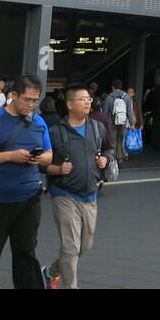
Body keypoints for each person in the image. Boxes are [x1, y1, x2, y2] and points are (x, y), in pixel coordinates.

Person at [0, 76, 53, 290]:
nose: (31, 105)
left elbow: (49, 156)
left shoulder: (38, 122)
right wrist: (10, 156)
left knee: (26, 254)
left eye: (35, 100)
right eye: (27, 99)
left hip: (29, 199)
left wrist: (37, 158)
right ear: (13, 96)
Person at [41, 84, 112, 289]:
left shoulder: (97, 128)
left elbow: (108, 150)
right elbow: (41, 165)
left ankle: (51, 272)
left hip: (90, 195)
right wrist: (58, 169)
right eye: (83, 99)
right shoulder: (55, 132)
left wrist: (105, 160)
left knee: (84, 246)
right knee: (70, 247)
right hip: (64, 195)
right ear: (70, 104)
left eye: (89, 99)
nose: (88, 102)